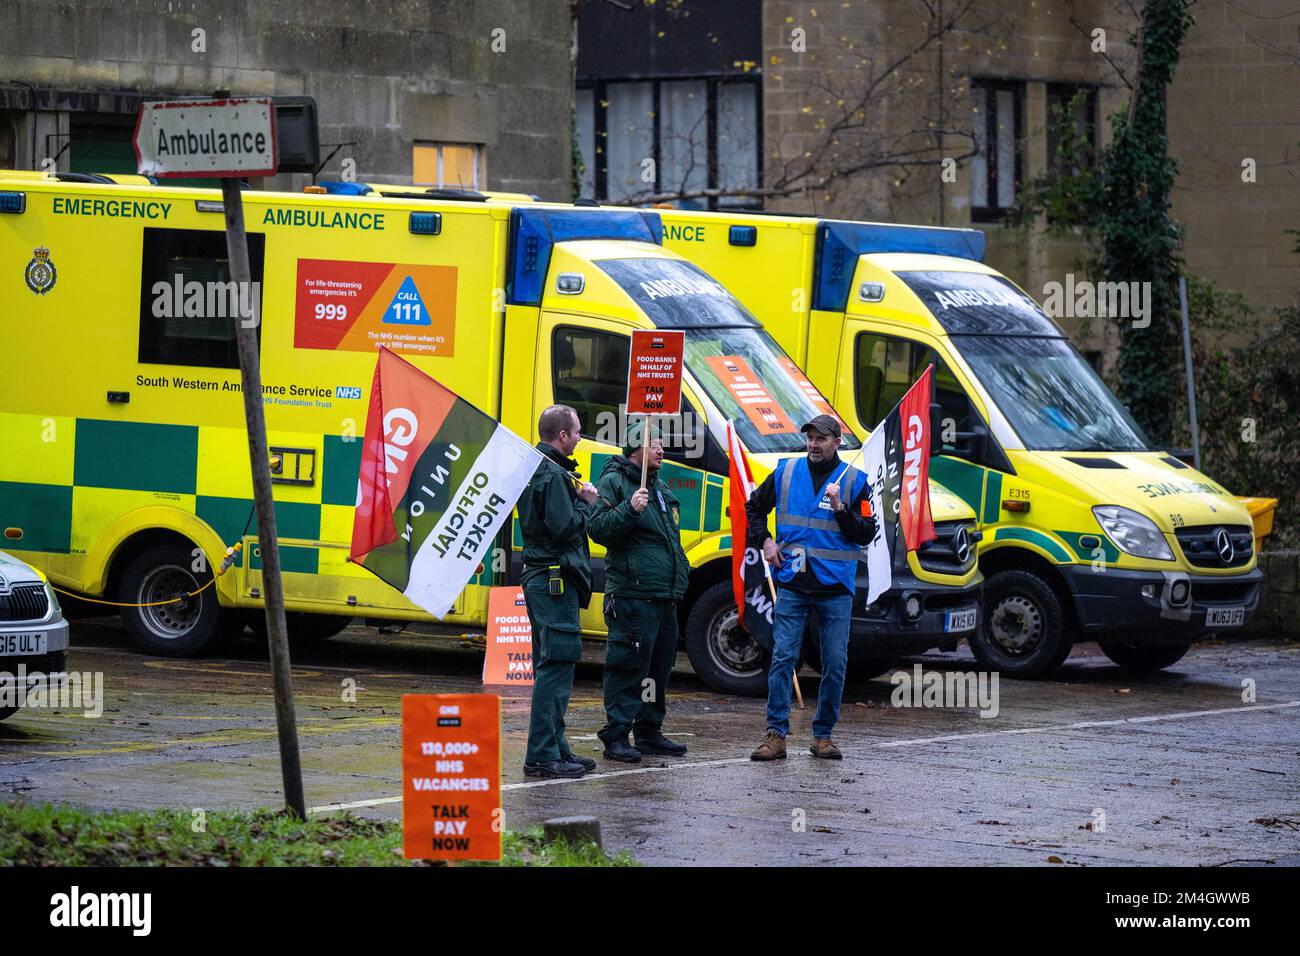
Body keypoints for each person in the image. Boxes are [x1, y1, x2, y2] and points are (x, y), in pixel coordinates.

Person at [745, 414, 877, 761]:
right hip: (793, 582)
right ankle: (775, 734)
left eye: (821, 439)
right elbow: (753, 508)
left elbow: (868, 532)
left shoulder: (855, 482)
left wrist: (841, 510)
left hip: (835, 586)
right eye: (810, 438)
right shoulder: (786, 472)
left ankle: (823, 736)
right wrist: (766, 541)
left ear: (837, 443)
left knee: (834, 662)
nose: (814, 445)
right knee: (783, 658)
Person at [587, 424, 690, 763]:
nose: (662, 450)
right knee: (627, 666)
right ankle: (616, 734)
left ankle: (648, 731)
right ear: (635, 449)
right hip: (632, 596)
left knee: (657, 669)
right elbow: (599, 530)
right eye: (655, 445)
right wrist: (628, 510)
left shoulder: (659, 488)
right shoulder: (613, 483)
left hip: (663, 597)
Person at [518, 404, 599, 778]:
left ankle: (558, 748)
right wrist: (585, 506)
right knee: (556, 665)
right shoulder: (551, 474)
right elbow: (564, 528)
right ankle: (541, 756)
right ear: (562, 436)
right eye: (578, 432)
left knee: (554, 665)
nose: (580, 437)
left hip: (546, 578)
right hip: (553, 580)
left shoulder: (542, 468)